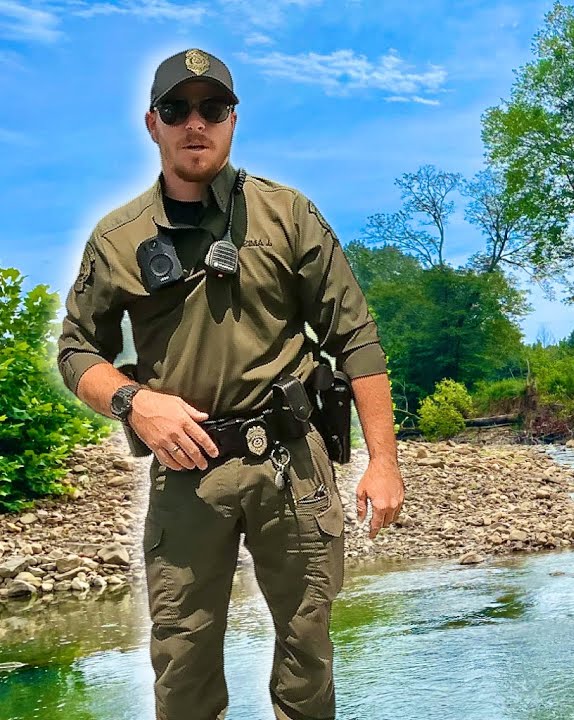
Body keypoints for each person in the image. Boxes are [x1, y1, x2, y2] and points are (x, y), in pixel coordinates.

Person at [57, 48, 404, 720]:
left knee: (308, 654)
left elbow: (357, 340)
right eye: (178, 109)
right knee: (182, 667)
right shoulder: (117, 239)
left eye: (211, 108)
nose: (196, 123)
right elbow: (77, 350)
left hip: (291, 462)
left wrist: (383, 462)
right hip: (187, 471)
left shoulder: (288, 214)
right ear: (152, 123)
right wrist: (134, 400)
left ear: (233, 120)